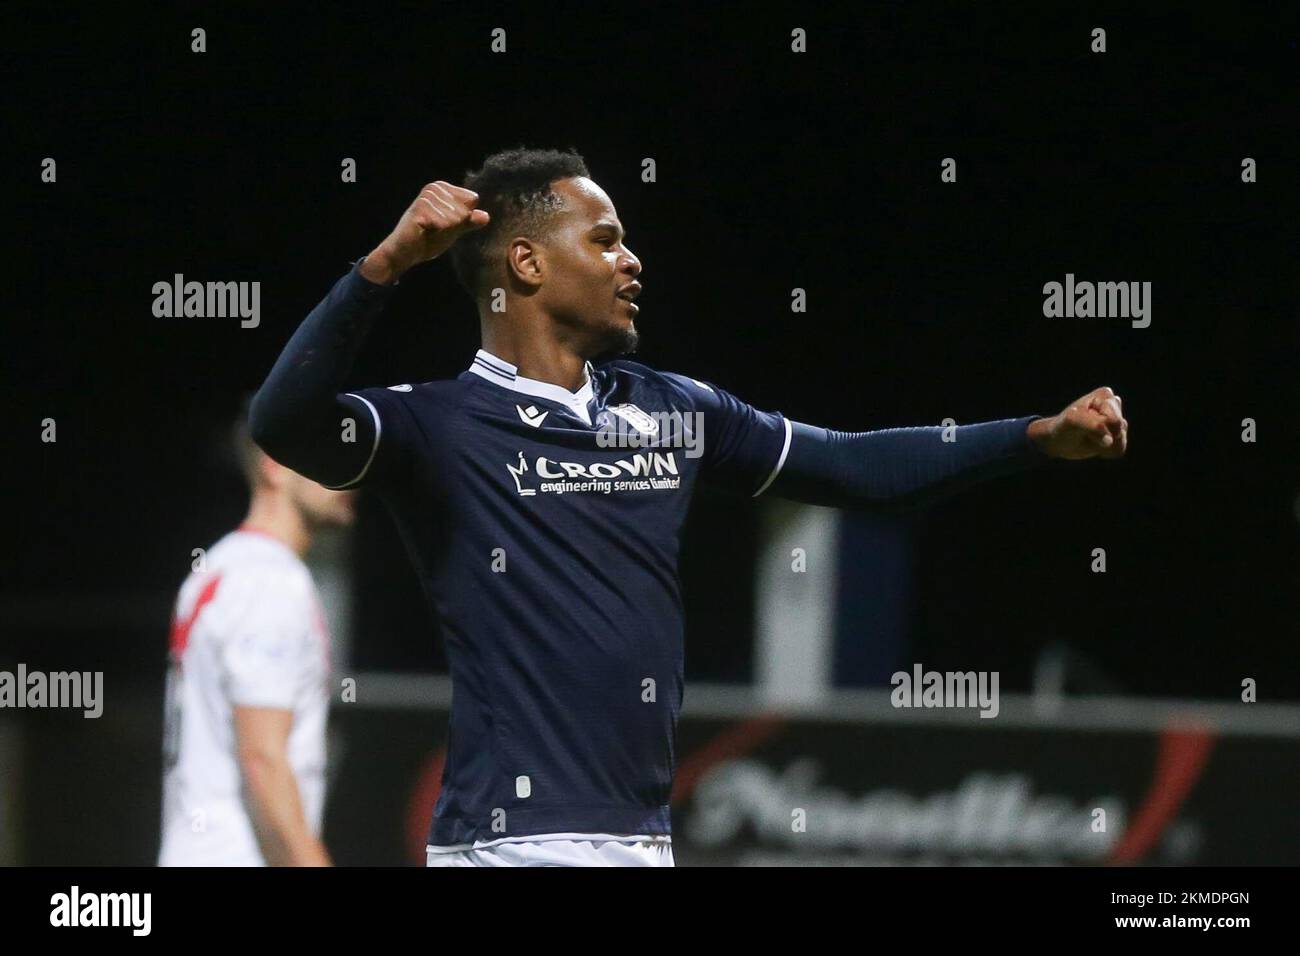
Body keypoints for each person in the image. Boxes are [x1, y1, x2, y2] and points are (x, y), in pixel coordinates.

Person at [249, 147, 1127, 867]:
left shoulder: (670, 410)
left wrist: (1035, 435)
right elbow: (284, 420)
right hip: (511, 844)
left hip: (641, 838)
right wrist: (384, 267)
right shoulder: (437, 425)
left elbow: (856, 468)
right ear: (525, 262)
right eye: (605, 240)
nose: (631, 261)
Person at [158, 407, 353, 866]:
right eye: (329, 455)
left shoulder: (217, 568)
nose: (350, 474)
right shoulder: (270, 582)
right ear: (274, 464)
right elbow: (262, 761)